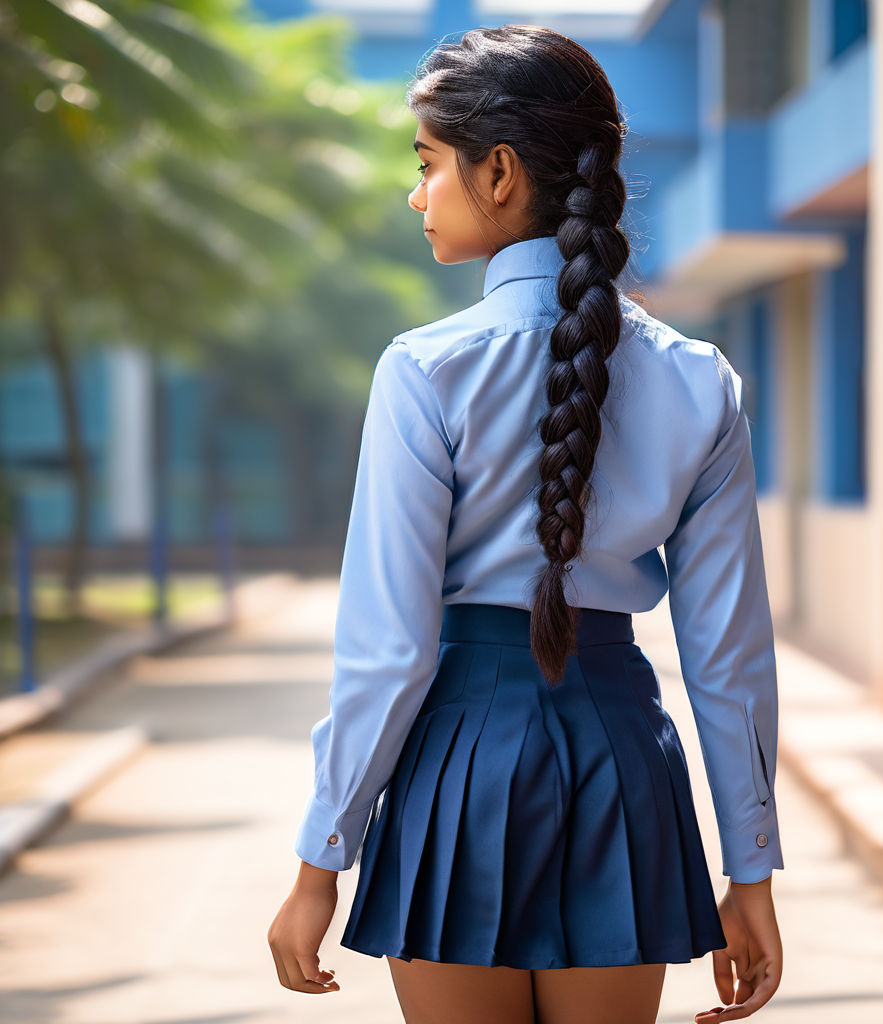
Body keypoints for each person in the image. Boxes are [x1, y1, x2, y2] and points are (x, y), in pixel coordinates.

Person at [267, 24, 784, 1024]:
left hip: (459, 761)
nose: (417, 194)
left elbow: (389, 650)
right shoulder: (700, 381)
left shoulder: (424, 370)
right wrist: (751, 869)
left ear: (498, 171)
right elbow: (728, 657)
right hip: (623, 764)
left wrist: (320, 859)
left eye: (427, 164)